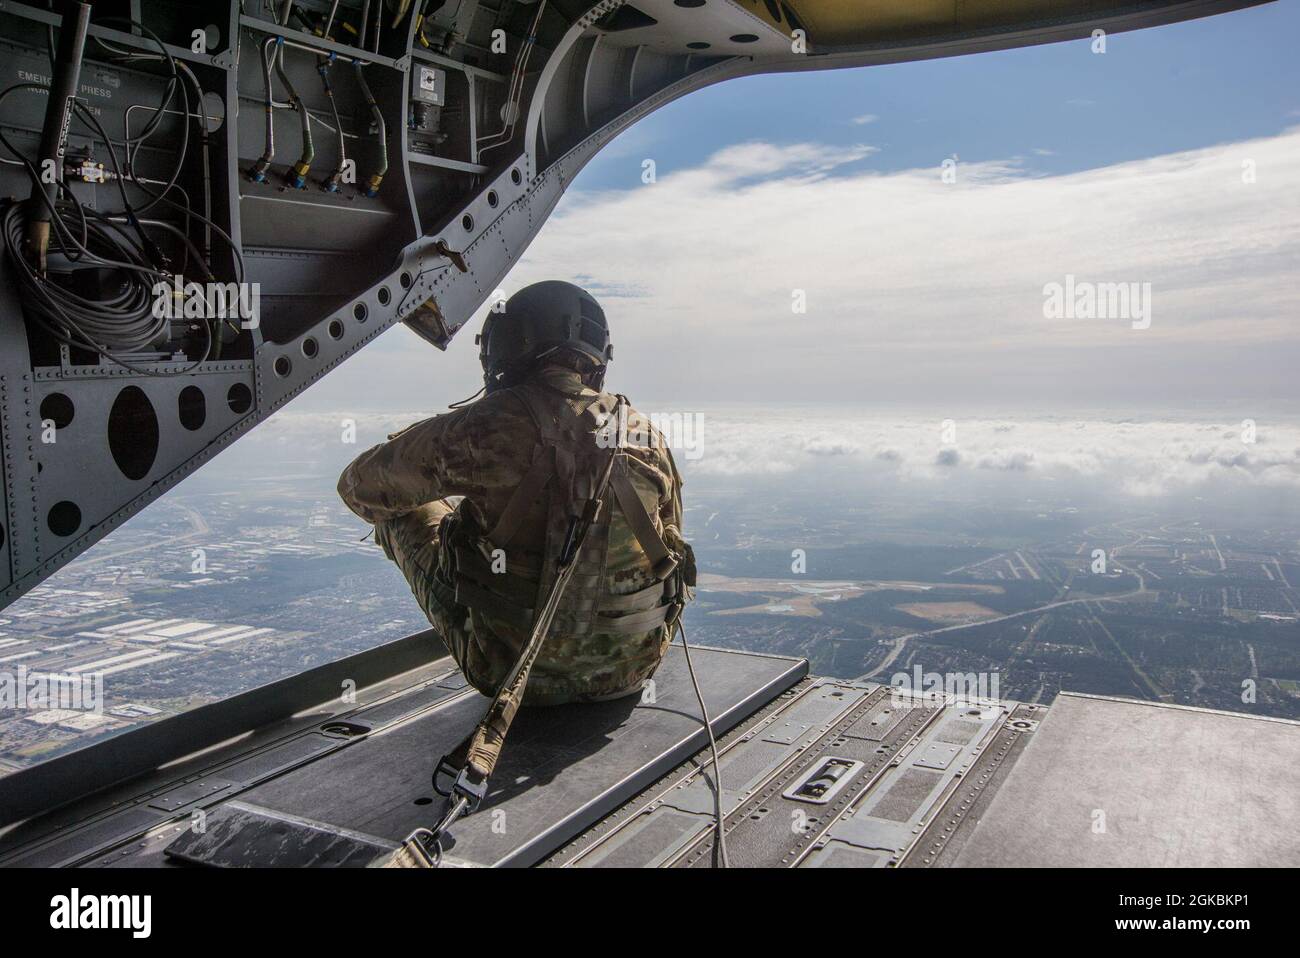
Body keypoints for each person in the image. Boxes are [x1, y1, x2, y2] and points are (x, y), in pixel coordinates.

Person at [338, 280, 694, 706]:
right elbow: (671, 540)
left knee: (405, 507)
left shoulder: (484, 425)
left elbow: (360, 487)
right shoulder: (643, 432)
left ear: (504, 348)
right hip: (631, 668)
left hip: (507, 672)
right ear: (596, 356)